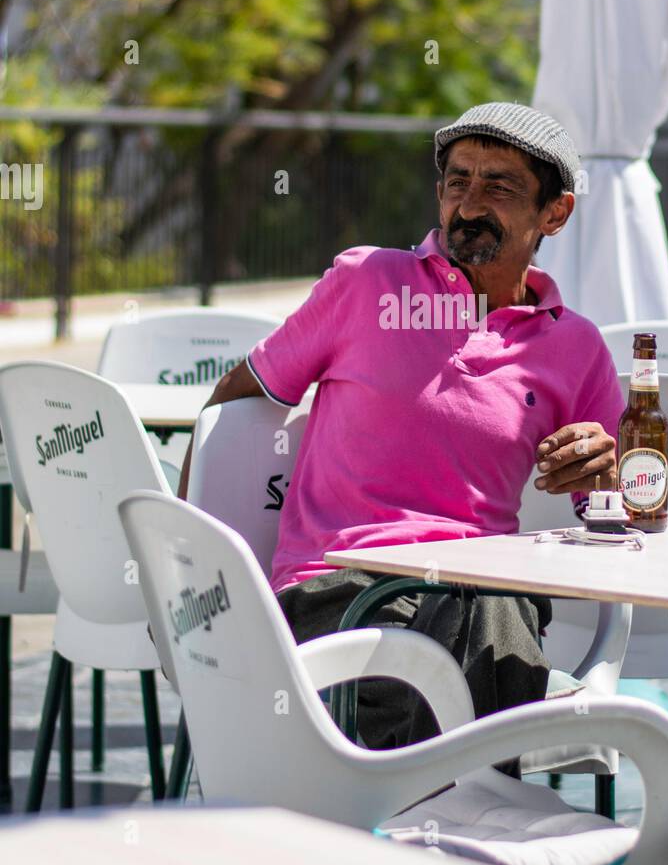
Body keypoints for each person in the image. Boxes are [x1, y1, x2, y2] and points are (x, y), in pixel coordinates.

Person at [178, 102, 623, 773]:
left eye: (498, 186)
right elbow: (234, 402)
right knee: (484, 637)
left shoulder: (576, 347)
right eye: (457, 181)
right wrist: (183, 565)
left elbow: (629, 512)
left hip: (481, 594)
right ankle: (478, 822)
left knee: (487, 612)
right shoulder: (366, 282)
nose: (469, 203)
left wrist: (608, 471)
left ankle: (420, 832)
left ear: (553, 214)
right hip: (337, 594)